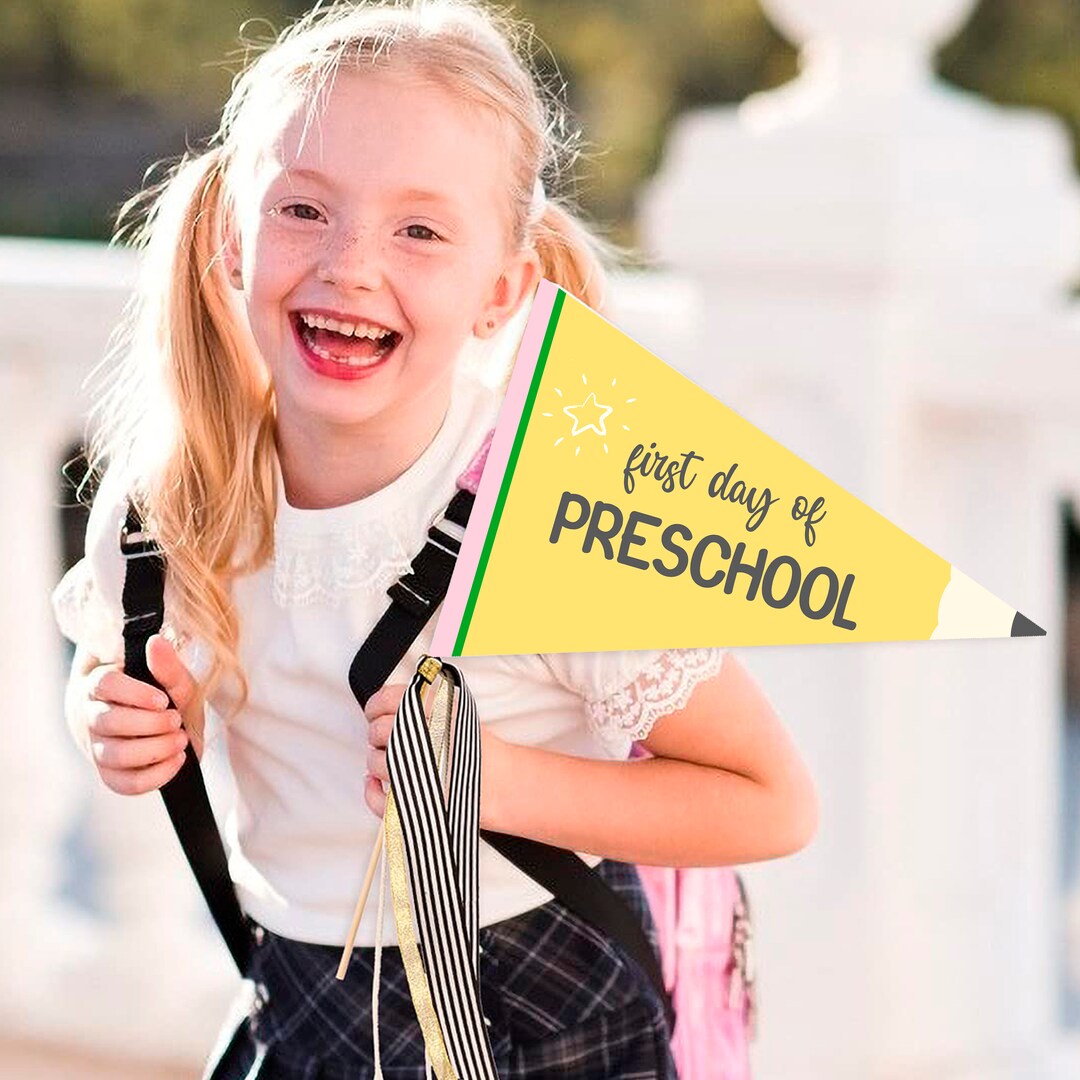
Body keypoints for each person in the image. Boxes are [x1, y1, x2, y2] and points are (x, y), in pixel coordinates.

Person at [52, 2, 819, 1077]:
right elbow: (114, 657)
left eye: (419, 230)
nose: (351, 266)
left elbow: (773, 803)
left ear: (501, 290)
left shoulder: (548, 533)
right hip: (303, 996)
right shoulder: (170, 505)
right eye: (306, 210)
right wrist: (111, 709)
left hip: (544, 1009)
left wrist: (492, 782)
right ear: (234, 238)